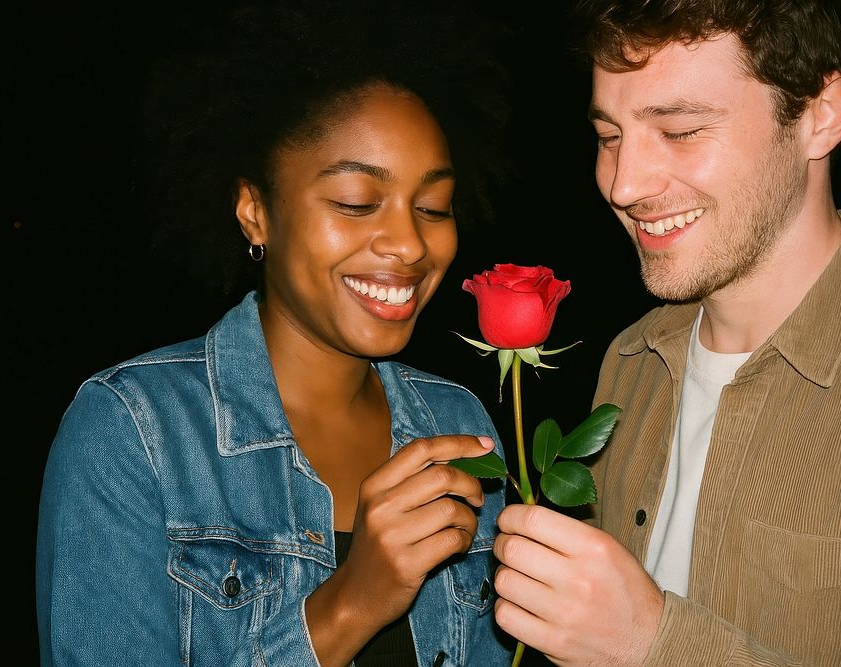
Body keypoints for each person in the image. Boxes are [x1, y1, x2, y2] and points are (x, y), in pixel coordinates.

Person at [491, 1, 841, 665]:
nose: (625, 183)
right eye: (609, 136)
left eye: (682, 129)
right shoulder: (632, 360)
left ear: (821, 114)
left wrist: (653, 642)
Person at [35, 1, 514, 665]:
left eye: (433, 206)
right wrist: (348, 605)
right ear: (254, 212)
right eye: (356, 201)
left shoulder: (459, 424)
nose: (409, 242)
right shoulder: (133, 433)